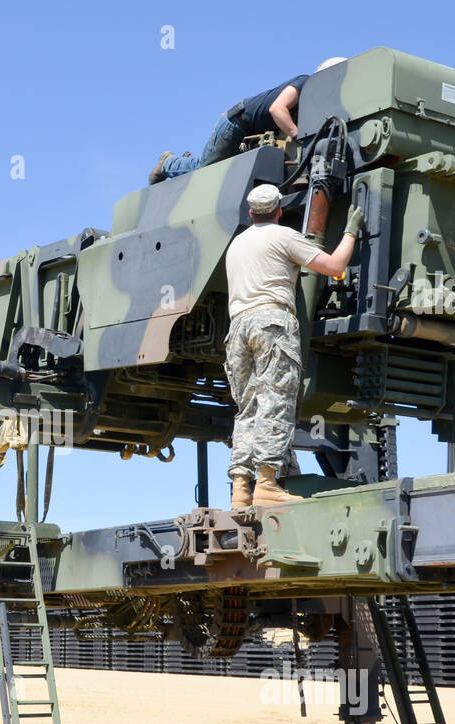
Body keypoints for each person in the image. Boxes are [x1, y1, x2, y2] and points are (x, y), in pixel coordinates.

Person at [226, 183, 362, 507]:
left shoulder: (236, 245)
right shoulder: (283, 237)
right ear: (279, 211)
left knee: (248, 408)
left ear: (250, 213)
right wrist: (352, 230)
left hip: (238, 329)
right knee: (276, 402)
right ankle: (268, 484)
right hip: (271, 323)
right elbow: (335, 267)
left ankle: (241, 490)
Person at [149, 57, 347, 184]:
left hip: (248, 135)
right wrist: (299, 137)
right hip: (235, 125)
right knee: (206, 169)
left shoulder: (314, 100)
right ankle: (168, 163)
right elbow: (277, 109)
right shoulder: (304, 84)